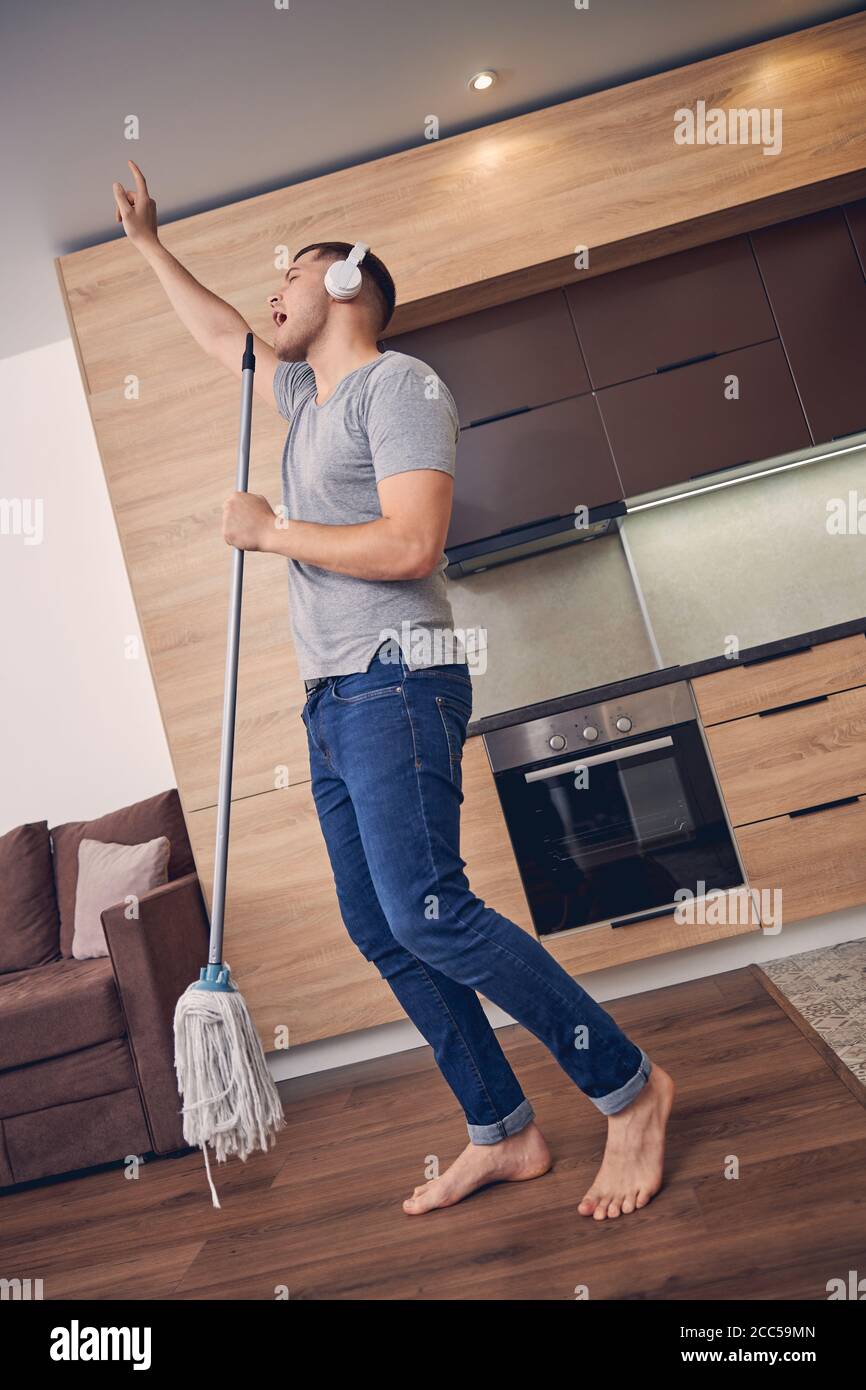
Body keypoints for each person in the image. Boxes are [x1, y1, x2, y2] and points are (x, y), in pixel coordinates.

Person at [113, 160, 674, 1220]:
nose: (271, 287)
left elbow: (414, 544)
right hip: (331, 698)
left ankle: (628, 1088)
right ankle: (501, 1129)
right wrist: (148, 241)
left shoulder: (397, 386)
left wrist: (272, 531)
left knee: (429, 909)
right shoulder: (299, 399)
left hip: (395, 677)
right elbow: (222, 337)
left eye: (290, 271)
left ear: (344, 285)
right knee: (382, 923)